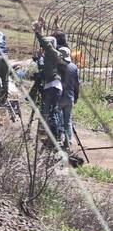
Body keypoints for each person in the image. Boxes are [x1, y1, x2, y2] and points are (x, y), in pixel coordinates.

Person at [32, 20, 67, 148]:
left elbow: (46, 44)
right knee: (48, 112)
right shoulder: (49, 57)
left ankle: (55, 138)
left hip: (53, 85)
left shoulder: (54, 53)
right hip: (50, 85)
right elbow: (43, 68)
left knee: (52, 112)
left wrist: (38, 33)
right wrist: (40, 59)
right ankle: (52, 137)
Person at [59, 45, 81, 151]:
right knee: (68, 121)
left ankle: (58, 138)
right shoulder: (74, 67)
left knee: (57, 118)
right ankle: (68, 142)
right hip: (70, 97)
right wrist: (76, 97)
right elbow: (77, 84)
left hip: (59, 97)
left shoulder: (57, 66)